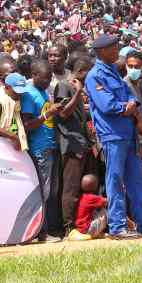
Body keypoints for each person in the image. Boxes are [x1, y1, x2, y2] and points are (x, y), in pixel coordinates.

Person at [84, 34, 142, 239]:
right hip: (111, 135)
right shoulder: (95, 75)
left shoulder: (115, 73)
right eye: (113, 48)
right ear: (101, 51)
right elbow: (107, 105)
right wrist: (126, 107)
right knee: (115, 180)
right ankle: (117, 226)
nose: (117, 50)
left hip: (128, 134)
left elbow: (133, 99)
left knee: (137, 180)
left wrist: (129, 106)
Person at [21, 60, 63, 242]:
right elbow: (27, 124)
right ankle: (40, 232)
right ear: (34, 75)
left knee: (52, 192)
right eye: (45, 78)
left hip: (50, 145)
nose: (48, 81)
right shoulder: (29, 94)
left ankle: (50, 229)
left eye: (50, 78)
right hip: (39, 148)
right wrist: (48, 114)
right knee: (43, 193)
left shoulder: (43, 91)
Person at [54, 57, 95, 239]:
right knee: (70, 188)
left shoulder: (77, 87)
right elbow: (62, 113)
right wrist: (78, 93)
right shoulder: (65, 86)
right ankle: (69, 228)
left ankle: (81, 224)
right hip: (70, 145)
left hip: (81, 143)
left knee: (83, 186)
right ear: (83, 70)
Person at [71, 175, 107, 240]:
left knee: (96, 210)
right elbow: (107, 202)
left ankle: (95, 232)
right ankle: (96, 233)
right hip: (87, 230)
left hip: (80, 228)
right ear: (95, 186)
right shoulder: (92, 198)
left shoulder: (82, 196)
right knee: (104, 211)